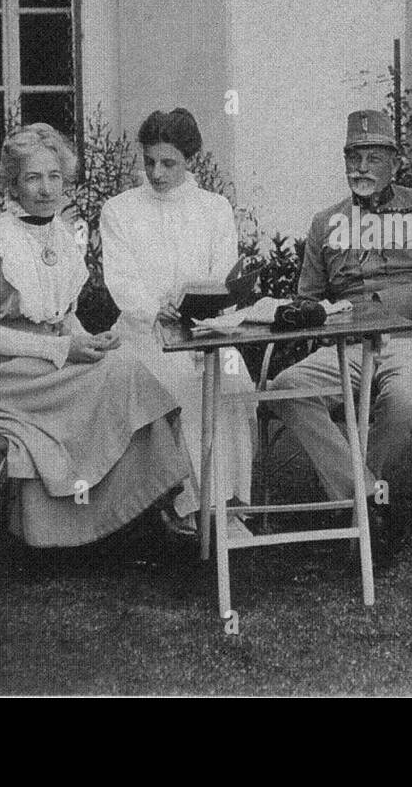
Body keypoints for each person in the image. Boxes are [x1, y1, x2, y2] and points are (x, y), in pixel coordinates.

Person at [0, 123, 195, 547]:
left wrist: (88, 340)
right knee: (117, 377)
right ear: (14, 183)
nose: (46, 189)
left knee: (122, 364)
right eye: (33, 177)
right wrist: (63, 348)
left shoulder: (62, 236)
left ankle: (138, 504)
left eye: (54, 176)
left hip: (44, 361)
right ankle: (110, 515)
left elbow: (65, 317)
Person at [269, 109, 412, 567]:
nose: (361, 167)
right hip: (346, 345)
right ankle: (370, 498)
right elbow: (308, 298)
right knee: (288, 389)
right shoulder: (326, 223)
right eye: (353, 156)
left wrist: (371, 305)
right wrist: (304, 314)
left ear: (395, 162)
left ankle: (353, 499)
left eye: (373, 157)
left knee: (408, 401)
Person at [100, 108, 256, 539]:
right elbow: (121, 281)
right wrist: (154, 307)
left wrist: (195, 302)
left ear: (190, 159)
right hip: (142, 335)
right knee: (184, 390)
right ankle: (188, 505)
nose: (157, 172)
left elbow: (223, 275)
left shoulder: (214, 209)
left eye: (168, 163)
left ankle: (229, 503)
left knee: (234, 383)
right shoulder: (119, 211)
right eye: (150, 161)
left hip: (205, 331)